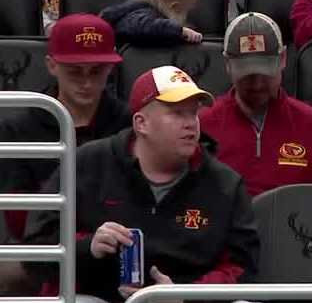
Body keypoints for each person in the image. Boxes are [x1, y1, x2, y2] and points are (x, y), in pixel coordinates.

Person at [23, 65, 259, 302]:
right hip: (101, 296)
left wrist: (182, 292)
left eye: (193, 113)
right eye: (177, 113)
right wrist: (88, 247)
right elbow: (37, 248)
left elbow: (242, 269)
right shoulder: (88, 163)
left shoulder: (225, 184)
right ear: (141, 123)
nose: (191, 124)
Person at [0, 14, 128, 243]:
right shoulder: (18, 130)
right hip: (43, 248)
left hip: (118, 245)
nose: (86, 83)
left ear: (110, 68)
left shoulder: (130, 124)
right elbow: (18, 215)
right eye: (75, 72)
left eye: (96, 71)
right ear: (52, 65)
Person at [200, 12, 312, 197]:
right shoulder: (201, 127)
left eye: (265, 74)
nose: (257, 84)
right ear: (228, 64)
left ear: (283, 59)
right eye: (247, 75)